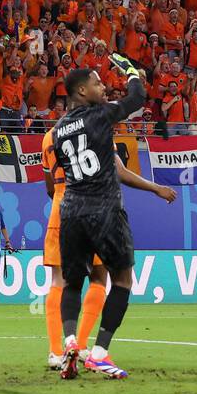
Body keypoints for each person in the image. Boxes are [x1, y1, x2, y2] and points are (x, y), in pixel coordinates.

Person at [41, 121, 176, 371]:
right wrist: (156, 188)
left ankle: (56, 351)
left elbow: (50, 186)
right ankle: (82, 346)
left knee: (59, 279)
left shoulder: (49, 136)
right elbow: (119, 172)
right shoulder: (97, 130)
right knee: (99, 278)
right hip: (97, 209)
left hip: (62, 208)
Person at [52, 56, 148, 380]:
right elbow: (137, 98)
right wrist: (131, 71)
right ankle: (99, 353)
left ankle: (69, 342)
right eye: (97, 83)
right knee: (122, 279)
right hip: (104, 208)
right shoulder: (100, 116)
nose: (103, 87)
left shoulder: (58, 130)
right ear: (81, 90)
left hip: (71, 211)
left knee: (71, 282)